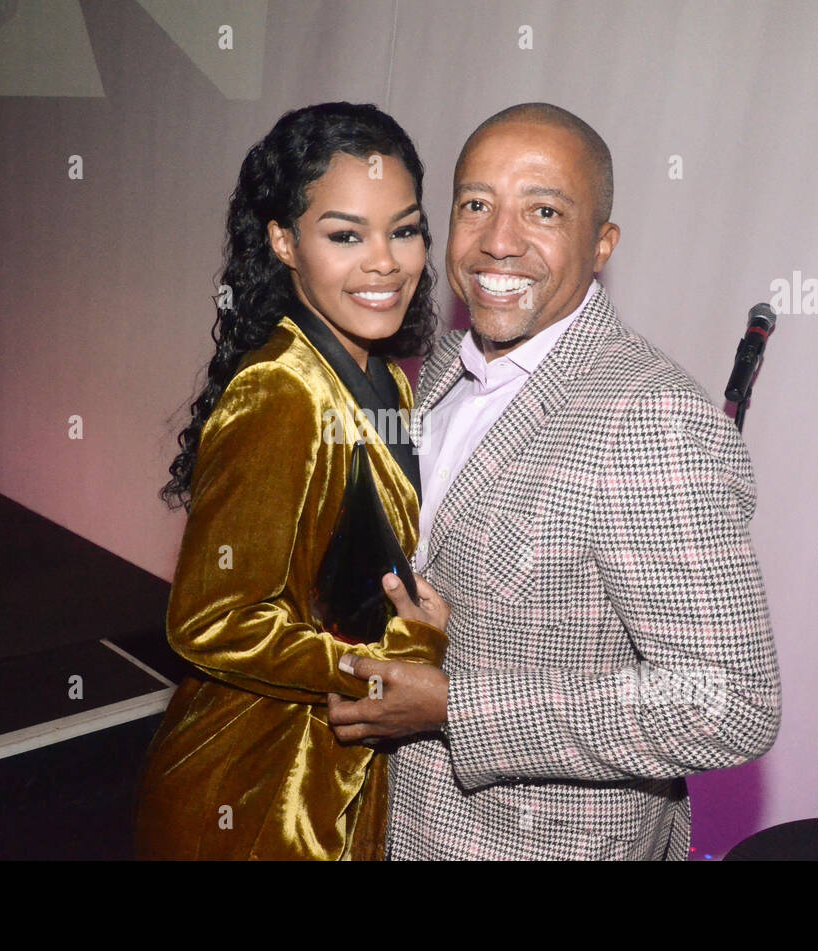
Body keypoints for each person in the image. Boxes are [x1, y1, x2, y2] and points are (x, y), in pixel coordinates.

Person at [327, 102, 782, 860]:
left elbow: (730, 702)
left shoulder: (651, 418)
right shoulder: (443, 367)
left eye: (543, 210)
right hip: (399, 823)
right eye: (476, 204)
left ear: (602, 244)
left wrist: (454, 707)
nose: (498, 242)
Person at [135, 102, 449, 860]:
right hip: (258, 787)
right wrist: (383, 671)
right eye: (346, 235)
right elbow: (210, 621)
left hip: (335, 767)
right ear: (283, 241)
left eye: (403, 230)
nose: (385, 262)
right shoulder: (283, 390)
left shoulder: (390, 381)